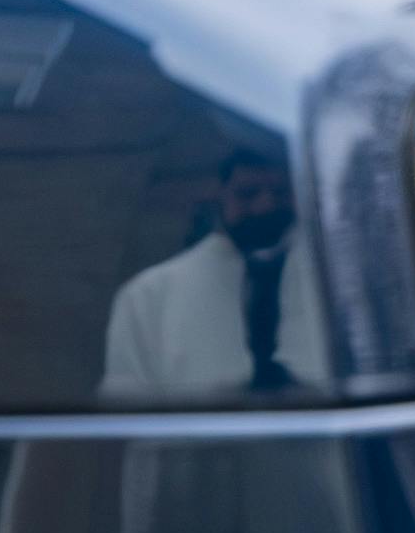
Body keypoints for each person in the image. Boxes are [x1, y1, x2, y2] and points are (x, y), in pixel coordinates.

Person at [97, 154, 324, 403]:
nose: (265, 206)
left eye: (280, 193)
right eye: (247, 193)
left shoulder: (333, 288)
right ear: (219, 195)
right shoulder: (148, 295)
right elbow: (127, 406)